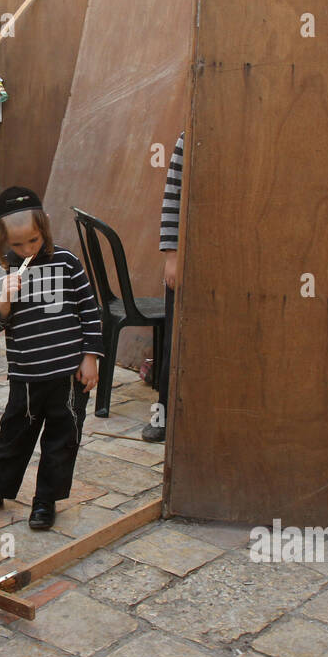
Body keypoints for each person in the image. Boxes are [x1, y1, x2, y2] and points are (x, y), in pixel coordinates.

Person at [0, 186, 103, 530]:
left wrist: (90, 357)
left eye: (33, 240)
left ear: (43, 229)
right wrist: (3, 301)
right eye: (17, 245)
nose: (27, 249)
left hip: (68, 377)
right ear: (2, 242)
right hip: (26, 376)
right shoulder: (0, 273)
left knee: (62, 440)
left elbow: (90, 311)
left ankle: (45, 500)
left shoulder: (67, 262)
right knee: (13, 436)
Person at [143, 131, 184, 443]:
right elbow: (173, 194)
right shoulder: (191, 134)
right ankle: (163, 416)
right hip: (186, 256)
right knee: (173, 343)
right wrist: (171, 255)